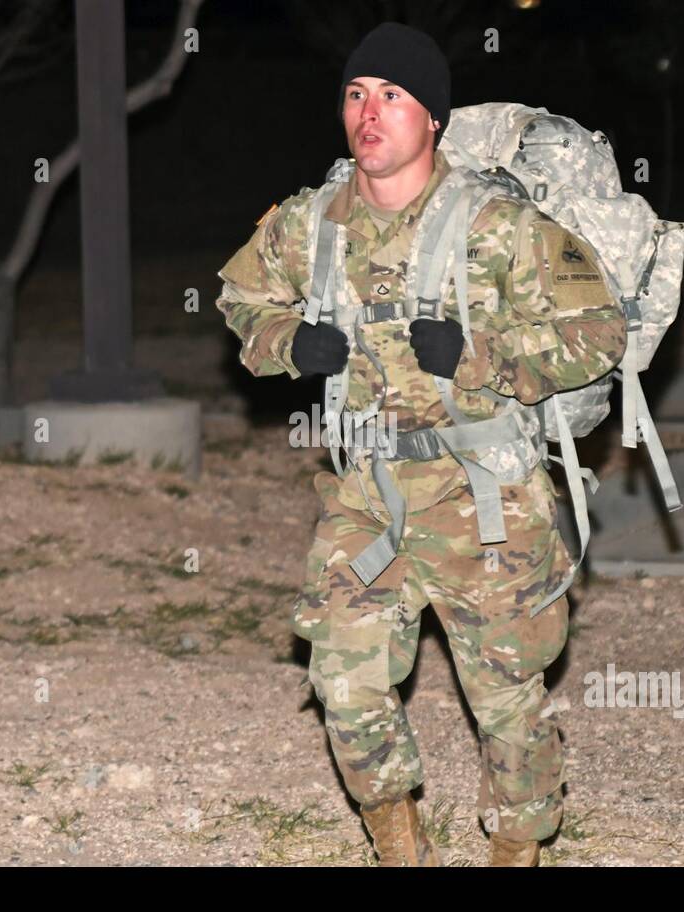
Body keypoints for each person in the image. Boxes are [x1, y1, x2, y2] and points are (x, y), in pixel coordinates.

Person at [216, 22, 626, 866]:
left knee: (507, 698)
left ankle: (518, 845)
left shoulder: (497, 225)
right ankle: (397, 839)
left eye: (392, 96)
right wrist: (292, 341)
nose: (370, 113)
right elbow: (241, 302)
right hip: (372, 494)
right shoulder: (311, 223)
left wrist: (486, 357)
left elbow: (599, 331)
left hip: (487, 492)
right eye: (356, 95)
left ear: (431, 117)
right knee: (342, 673)